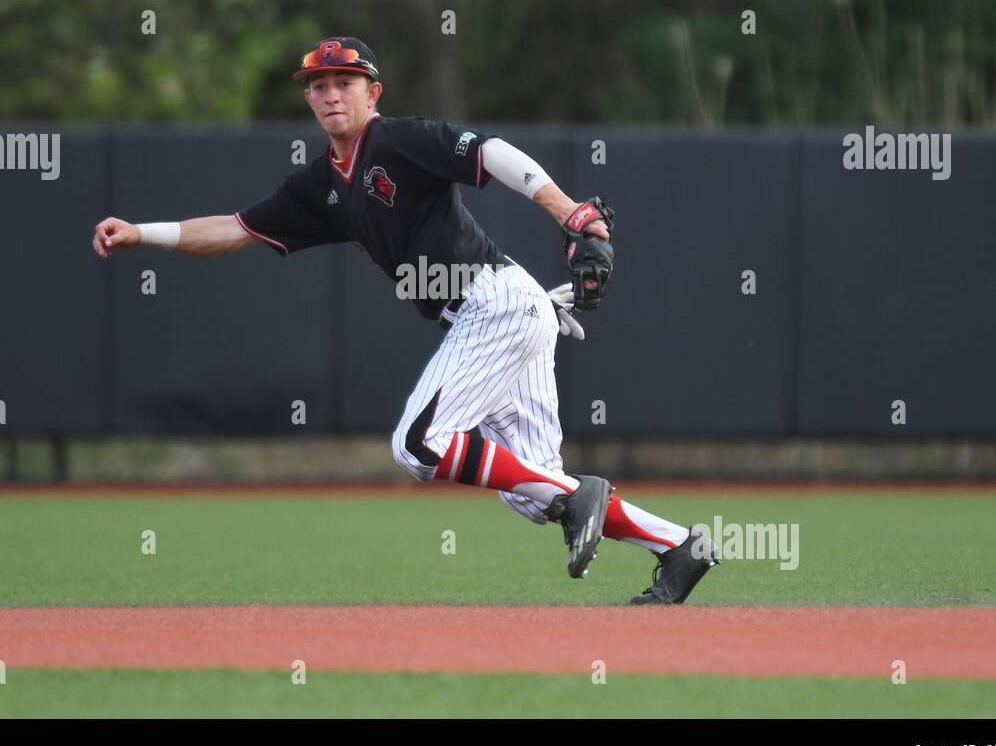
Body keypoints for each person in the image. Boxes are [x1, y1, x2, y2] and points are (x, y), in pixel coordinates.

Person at [92, 37, 719, 604]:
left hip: (492, 303)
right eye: (319, 84)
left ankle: (578, 497)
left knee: (419, 444)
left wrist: (569, 214)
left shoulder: (398, 140)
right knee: (536, 496)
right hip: (505, 310)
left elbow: (491, 152)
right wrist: (141, 233)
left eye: (345, 80)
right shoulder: (319, 186)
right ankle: (679, 548)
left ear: (373, 92)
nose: (331, 93)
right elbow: (233, 229)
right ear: (309, 98)